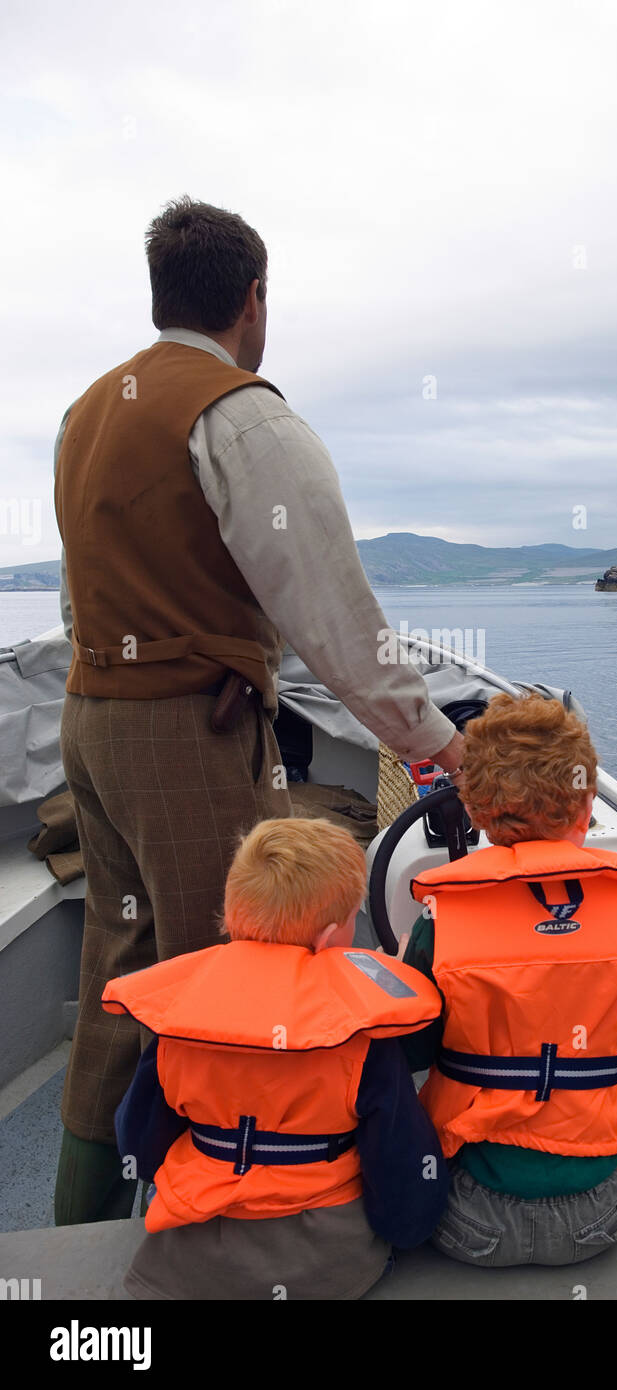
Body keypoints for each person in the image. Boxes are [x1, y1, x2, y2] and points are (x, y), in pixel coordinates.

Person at [52, 196, 463, 1225]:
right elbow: (335, 615)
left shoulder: (86, 413)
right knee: (218, 978)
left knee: (122, 958)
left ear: (161, 298)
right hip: (183, 734)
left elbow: (78, 592)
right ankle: (219, 1216)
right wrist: (437, 742)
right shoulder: (242, 418)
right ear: (253, 298)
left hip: (90, 718)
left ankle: (79, 1211)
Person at [102, 817, 448, 1300]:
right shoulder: (362, 1038)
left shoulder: (179, 1027)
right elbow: (404, 1173)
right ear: (329, 937)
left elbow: (137, 1148)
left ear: (231, 912)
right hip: (324, 1261)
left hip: (191, 1264)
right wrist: (410, 1232)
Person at [401, 692, 617, 1267]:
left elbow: (411, 1050)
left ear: (475, 812)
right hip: (597, 1215)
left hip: (468, 1217)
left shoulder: (442, 917)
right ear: (588, 807)